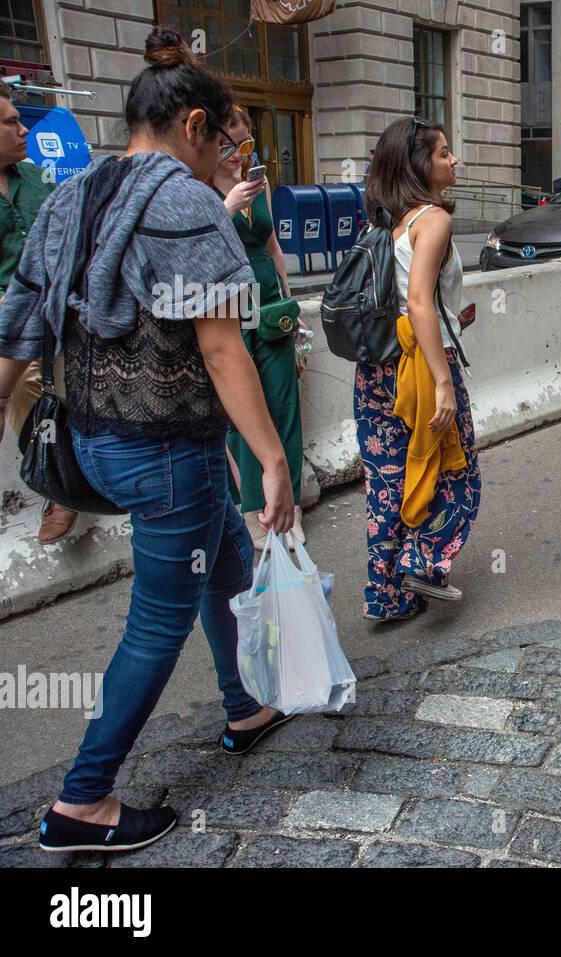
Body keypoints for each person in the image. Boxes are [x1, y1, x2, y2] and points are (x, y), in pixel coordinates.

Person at [0, 27, 296, 853]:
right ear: (194, 123)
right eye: (227, 139)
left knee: (222, 556)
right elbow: (220, 343)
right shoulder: (184, 201)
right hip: (166, 449)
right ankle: (83, 799)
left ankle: (245, 704)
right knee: (157, 622)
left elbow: (18, 329)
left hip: (87, 445)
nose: (226, 159)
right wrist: (272, 459)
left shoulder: (69, 195)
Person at [357, 117, 480, 621]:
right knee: (457, 472)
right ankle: (423, 562)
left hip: (376, 367)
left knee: (387, 480)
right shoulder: (434, 219)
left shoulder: (384, 221)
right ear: (420, 164)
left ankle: (386, 598)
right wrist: (445, 382)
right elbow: (419, 303)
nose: (453, 160)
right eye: (445, 152)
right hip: (423, 367)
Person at [212, 105, 306, 550]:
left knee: (283, 402)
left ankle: (291, 506)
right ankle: (255, 509)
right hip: (228, 306)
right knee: (244, 411)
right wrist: (227, 207)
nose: (239, 156)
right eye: (230, 146)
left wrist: (291, 302)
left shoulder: (259, 182)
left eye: (247, 145)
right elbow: (201, 253)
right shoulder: (200, 191)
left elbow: (272, 247)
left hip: (269, 302)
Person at [0, 83, 78, 545]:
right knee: (24, 383)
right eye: (12, 122)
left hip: (53, 308)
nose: (23, 128)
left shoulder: (37, 178)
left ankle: (69, 483)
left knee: (71, 384)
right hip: (7, 319)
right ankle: (55, 487)